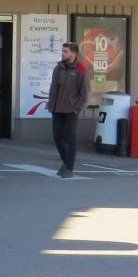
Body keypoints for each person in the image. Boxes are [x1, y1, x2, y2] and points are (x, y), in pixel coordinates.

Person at [47, 42, 89, 178]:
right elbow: (53, 89)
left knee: (70, 138)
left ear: (73, 53)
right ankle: (65, 162)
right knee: (57, 136)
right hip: (57, 108)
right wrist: (50, 104)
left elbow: (85, 93)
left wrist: (77, 109)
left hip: (71, 110)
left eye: (65, 51)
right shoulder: (58, 68)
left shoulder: (81, 69)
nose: (62, 53)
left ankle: (69, 168)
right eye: (62, 51)